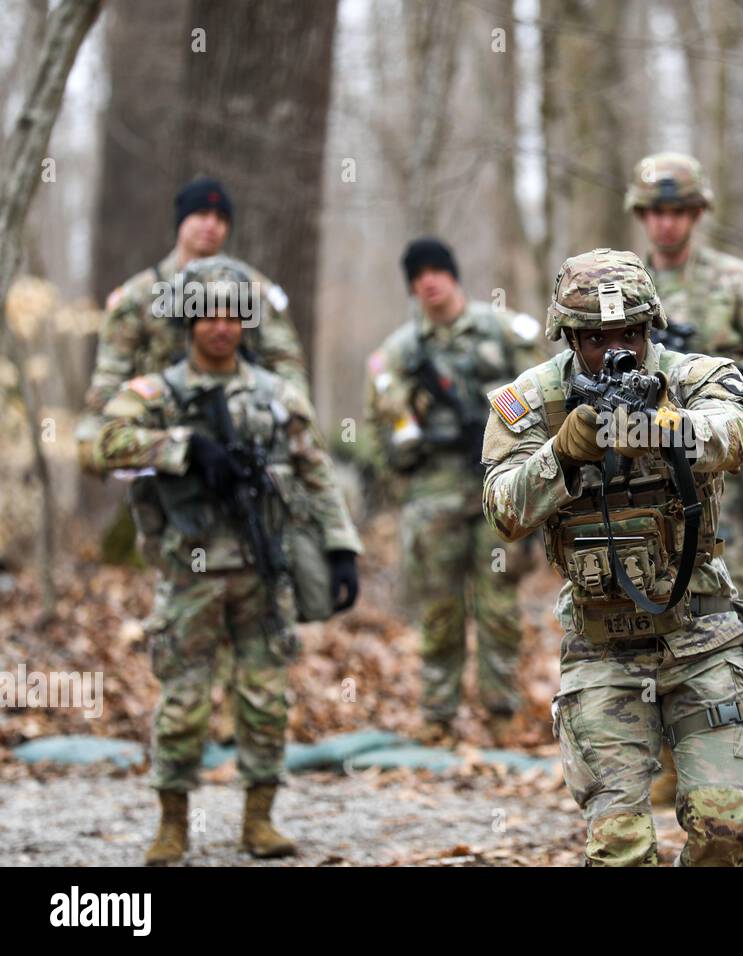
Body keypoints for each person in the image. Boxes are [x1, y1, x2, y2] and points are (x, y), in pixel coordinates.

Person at [482, 248, 743, 866]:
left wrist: (667, 427)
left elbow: (735, 435)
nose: (618, 352)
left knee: (727, 834)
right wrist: (564, 453)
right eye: (599, 340)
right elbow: (503, 510)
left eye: (631, 334)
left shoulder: (694, 376)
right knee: (622, 849)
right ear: (570, 337)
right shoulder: (530, 400)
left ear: (651, 327)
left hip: (701, 633)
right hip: (601, 647)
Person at [89, 257, 361, 865]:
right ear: (187, 322)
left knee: (265, 701)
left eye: (232, 315)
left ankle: (259, 822)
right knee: (182, 704)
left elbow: (316, 472)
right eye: (207, 314)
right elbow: (105, 442)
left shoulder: (276, 396)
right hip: (189, 575)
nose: (220, 325)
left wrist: (342, 547)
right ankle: (172, 825)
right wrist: (184, 448)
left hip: (261, 575)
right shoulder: (155, 393)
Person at [78, 177, 308, 746]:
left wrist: (280, 430)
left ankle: (242, 723)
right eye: (199, 214)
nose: (210, 224)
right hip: (172, 462)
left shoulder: (250, 290)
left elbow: (288, 368)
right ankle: (185, 718)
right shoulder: (138, 297)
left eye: (220, 216)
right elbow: (105, 391)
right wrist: (136, 436)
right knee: (184, 587)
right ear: (179, 220)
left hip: (244, 456)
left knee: (255, 582)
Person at [365, 238, 546, 745]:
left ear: (453, 274)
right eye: (418, 274)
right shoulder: (401, 351)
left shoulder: (502, 330)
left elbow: (547, 394)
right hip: (434, 494)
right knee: (439, 611)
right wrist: (402, 482)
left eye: (437, 270)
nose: (429, 280)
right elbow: (381, 427)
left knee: (499, 607)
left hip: (499, 487)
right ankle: (437, 715)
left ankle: (501, 714)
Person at [626, 151, 743, 599]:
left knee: (727, 598)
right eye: (656, 212)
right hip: (635, 477)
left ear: (697, 214)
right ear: (641, 215)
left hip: (720, 477)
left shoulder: (737, 282)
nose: (666, 223)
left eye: (678, 212)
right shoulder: (622, 286)